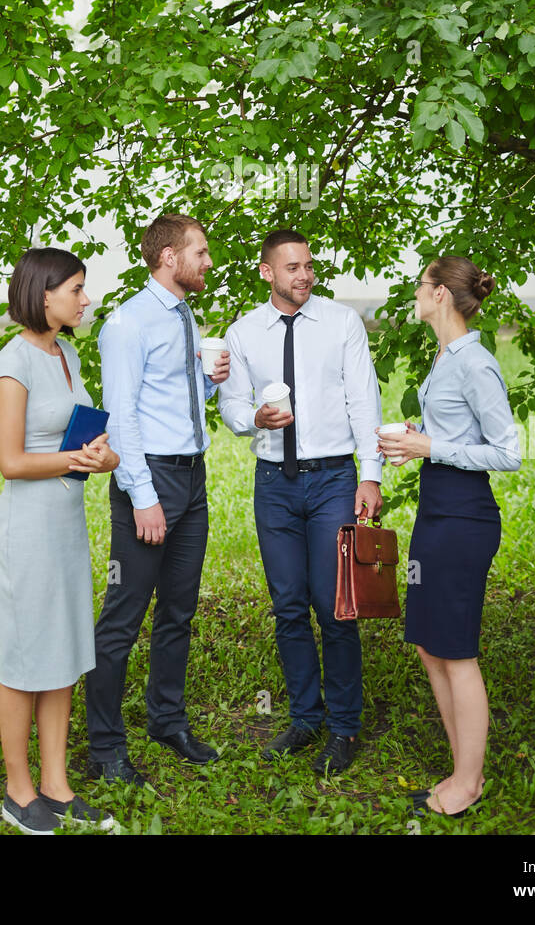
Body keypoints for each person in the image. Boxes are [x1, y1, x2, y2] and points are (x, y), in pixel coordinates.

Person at [218, 229, 383, 773]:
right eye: (292, 267)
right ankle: (305, 718)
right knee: (288, 606)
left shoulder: (341, 323)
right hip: (275, 484)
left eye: (309, 265)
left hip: (335, 478)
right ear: (267, 272)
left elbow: (364, 401)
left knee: (335, 608)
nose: (304, 275)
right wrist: (253, 420)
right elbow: (232, 406)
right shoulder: (243, 333)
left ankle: (344, 728)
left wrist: (371, 475)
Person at [85, 213, 230, 782]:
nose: (208, 262)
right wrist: (143, 497)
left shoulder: (185, 315)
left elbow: (171, 398)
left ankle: (166, 720)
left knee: (179, 612)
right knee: (122, 618)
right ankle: (105, 749)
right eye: (200, 251)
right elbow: (121, 420)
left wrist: (209, 379)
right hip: (151, 483)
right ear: (169, 257)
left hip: (192, 479)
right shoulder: (128, 323)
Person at [376, 255, 521, 818]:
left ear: (439, 295)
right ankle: (465, 769)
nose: (415, 293)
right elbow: (456, 430)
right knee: (429, 644)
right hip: (439, 514)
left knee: (456, 651)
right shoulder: (444, 358)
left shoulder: (474, 362)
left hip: (464, 518)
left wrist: (430, 448)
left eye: (420, 285)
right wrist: (418, 435)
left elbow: (507, 451)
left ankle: (466, 783)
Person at [0, 247, 120, 835]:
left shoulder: (66, 351)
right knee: (25, 660)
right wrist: (75, 458)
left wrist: (104, 455)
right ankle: (18, 792)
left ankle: (56, 784)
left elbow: (88, 430)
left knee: (64, 653)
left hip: (67, 522)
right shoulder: (12, 363)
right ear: (45, 295)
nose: (85, 298)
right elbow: (11, 461)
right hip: (28, 529)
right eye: (77, 288)